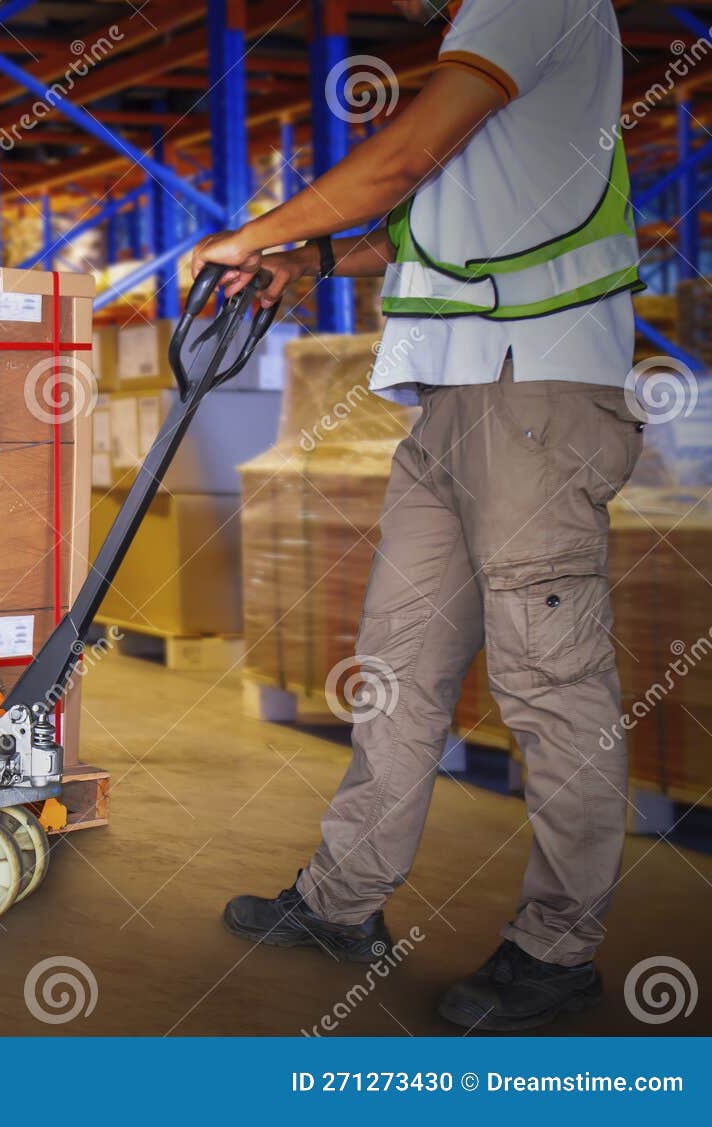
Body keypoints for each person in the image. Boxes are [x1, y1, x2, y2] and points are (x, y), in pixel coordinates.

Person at [195, 0, 648, 1031]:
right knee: (394, 667)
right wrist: (301, 263)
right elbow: (425, 228)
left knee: (549, 681)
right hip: (452, 402)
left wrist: (251, 234)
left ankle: (555, 950)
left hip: (536, 395)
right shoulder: (475, 39)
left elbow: (403, 160)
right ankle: (340, 901)